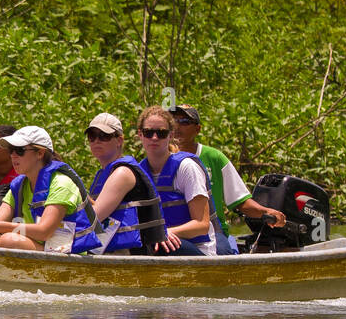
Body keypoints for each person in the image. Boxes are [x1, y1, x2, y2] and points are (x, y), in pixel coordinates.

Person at [169, 105, 286, 254]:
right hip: (171, 228)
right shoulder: (160, 157)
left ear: (197, 129)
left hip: (211, 230)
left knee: (221, 254)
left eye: (185, 122)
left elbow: (241, 201)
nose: (177, 126)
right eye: (173, 121)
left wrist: (266, 211)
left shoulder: (214, 158)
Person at [0, 127, 96, 253]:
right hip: (38, 248)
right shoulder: (20, 185)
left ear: (40, 153)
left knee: (10, 240)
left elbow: (44, 232)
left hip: (65, 252)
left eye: (19, 151)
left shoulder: (61, 183)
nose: (13, 156)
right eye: (11, 151)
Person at [81, 113, 166, 254]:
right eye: (92, 136)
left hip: (135, 258)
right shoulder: (102, 174)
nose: (97, 141)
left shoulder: (122, 173)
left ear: (119, 140)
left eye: (104, 136)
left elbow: (92, 219)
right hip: (115, 255)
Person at [134, 106, 214, 256]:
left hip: (197, 248)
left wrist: (165, 233)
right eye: (148, 133)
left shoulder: (186, 168)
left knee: (161, 245)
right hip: (159, 242)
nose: (155, 138)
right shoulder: (137, 173)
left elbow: (202, 224)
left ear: (170, 135)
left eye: (162, 133)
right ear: (140, 135)